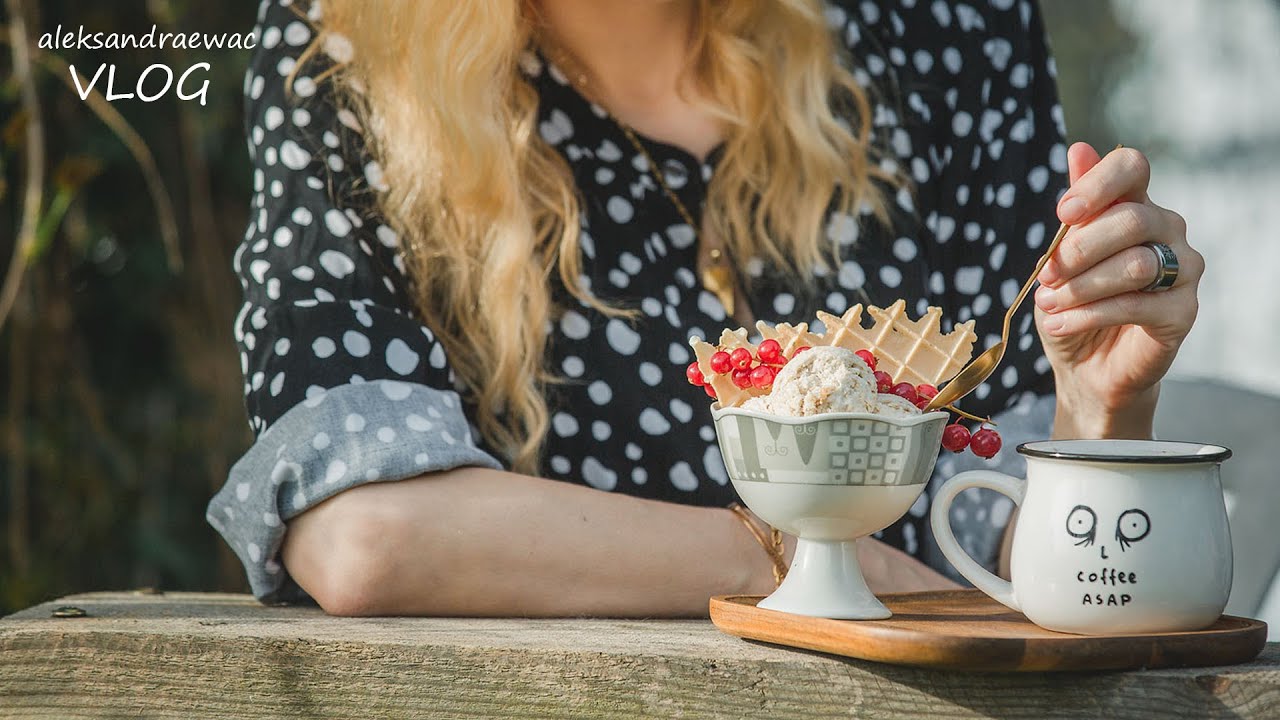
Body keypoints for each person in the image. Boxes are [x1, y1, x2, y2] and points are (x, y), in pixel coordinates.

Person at [209, 0, 1202, 616]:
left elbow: (1028, 569)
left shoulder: (949, 23)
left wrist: (1098, 415)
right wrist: (798, 559)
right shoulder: (349, 45)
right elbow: (365, 535)